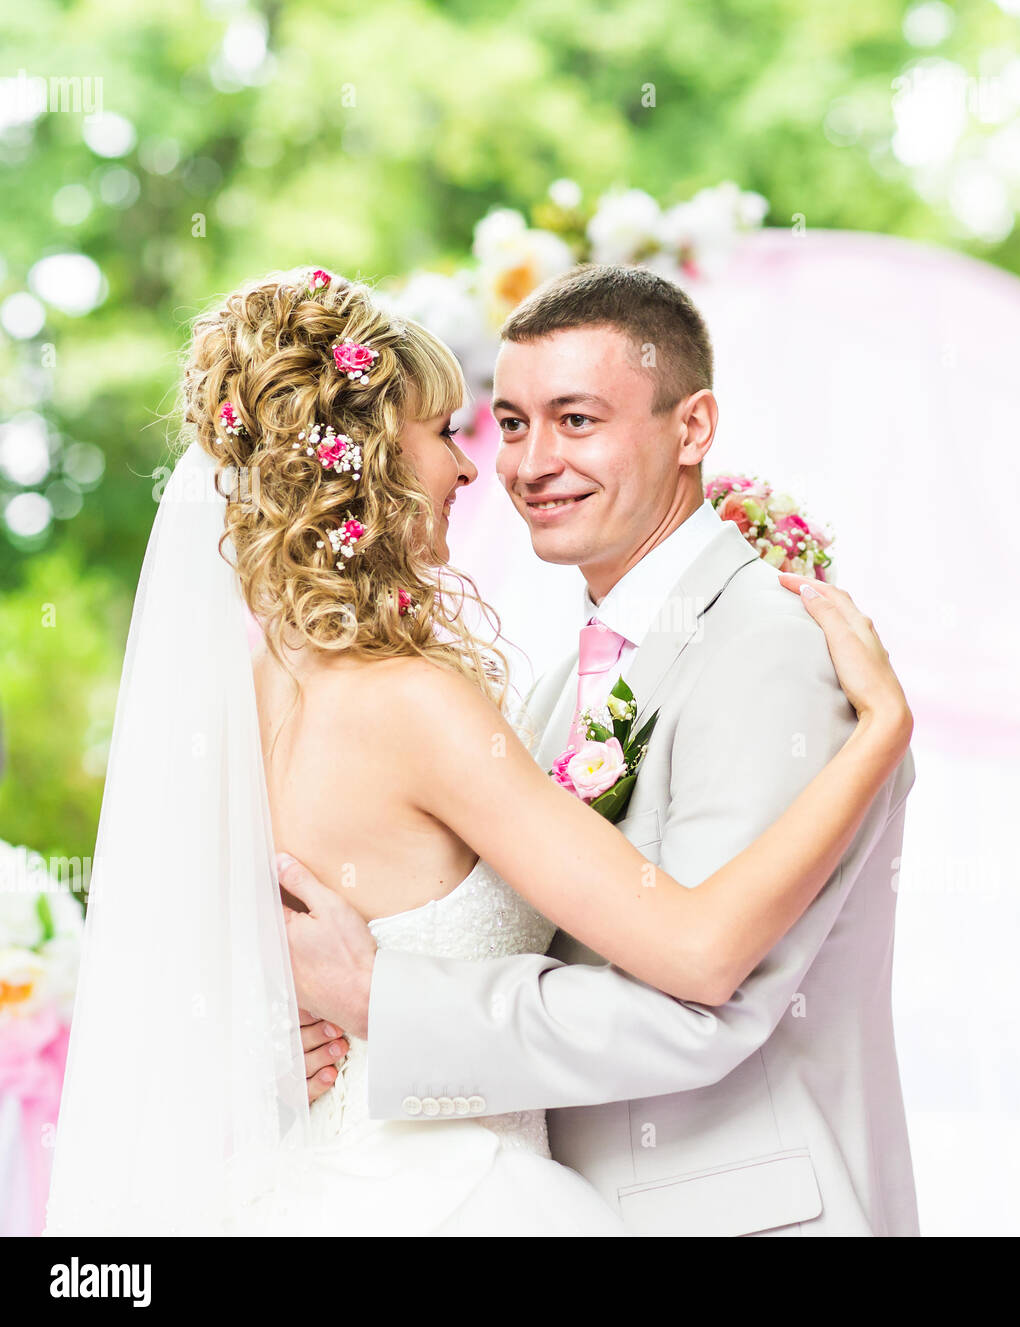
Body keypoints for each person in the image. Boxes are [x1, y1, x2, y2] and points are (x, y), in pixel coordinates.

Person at [44, 266, 911, 1236]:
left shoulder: (262, 696)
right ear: (368, 458)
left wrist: (341, 1014)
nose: (485, 469)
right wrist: (880, 736)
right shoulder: (423, 702)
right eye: (472, 429)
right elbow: (695, 952)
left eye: (574, 420)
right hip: (456, 1195)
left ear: (691, 427)